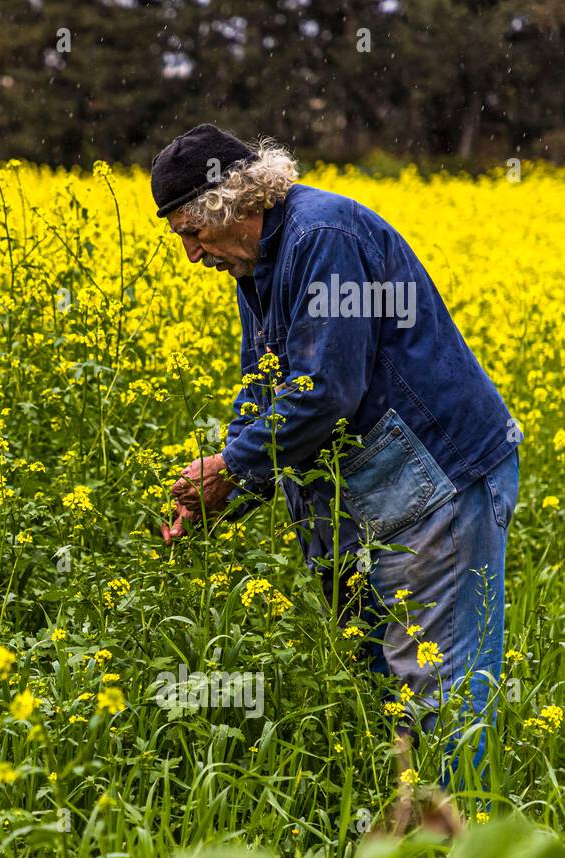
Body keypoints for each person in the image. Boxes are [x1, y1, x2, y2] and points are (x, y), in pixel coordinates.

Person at [150, 123, 520, 814]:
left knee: (442, 690)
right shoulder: (256, 262)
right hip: (378, 493)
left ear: (229, 203)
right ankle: (415, 836)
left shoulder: (324, 239)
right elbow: (266, 385)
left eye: (190, 233)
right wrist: (221, 497)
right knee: (386, 686)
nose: (192, 253)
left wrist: (231, 467)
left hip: (441, 482)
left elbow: (326, 390)